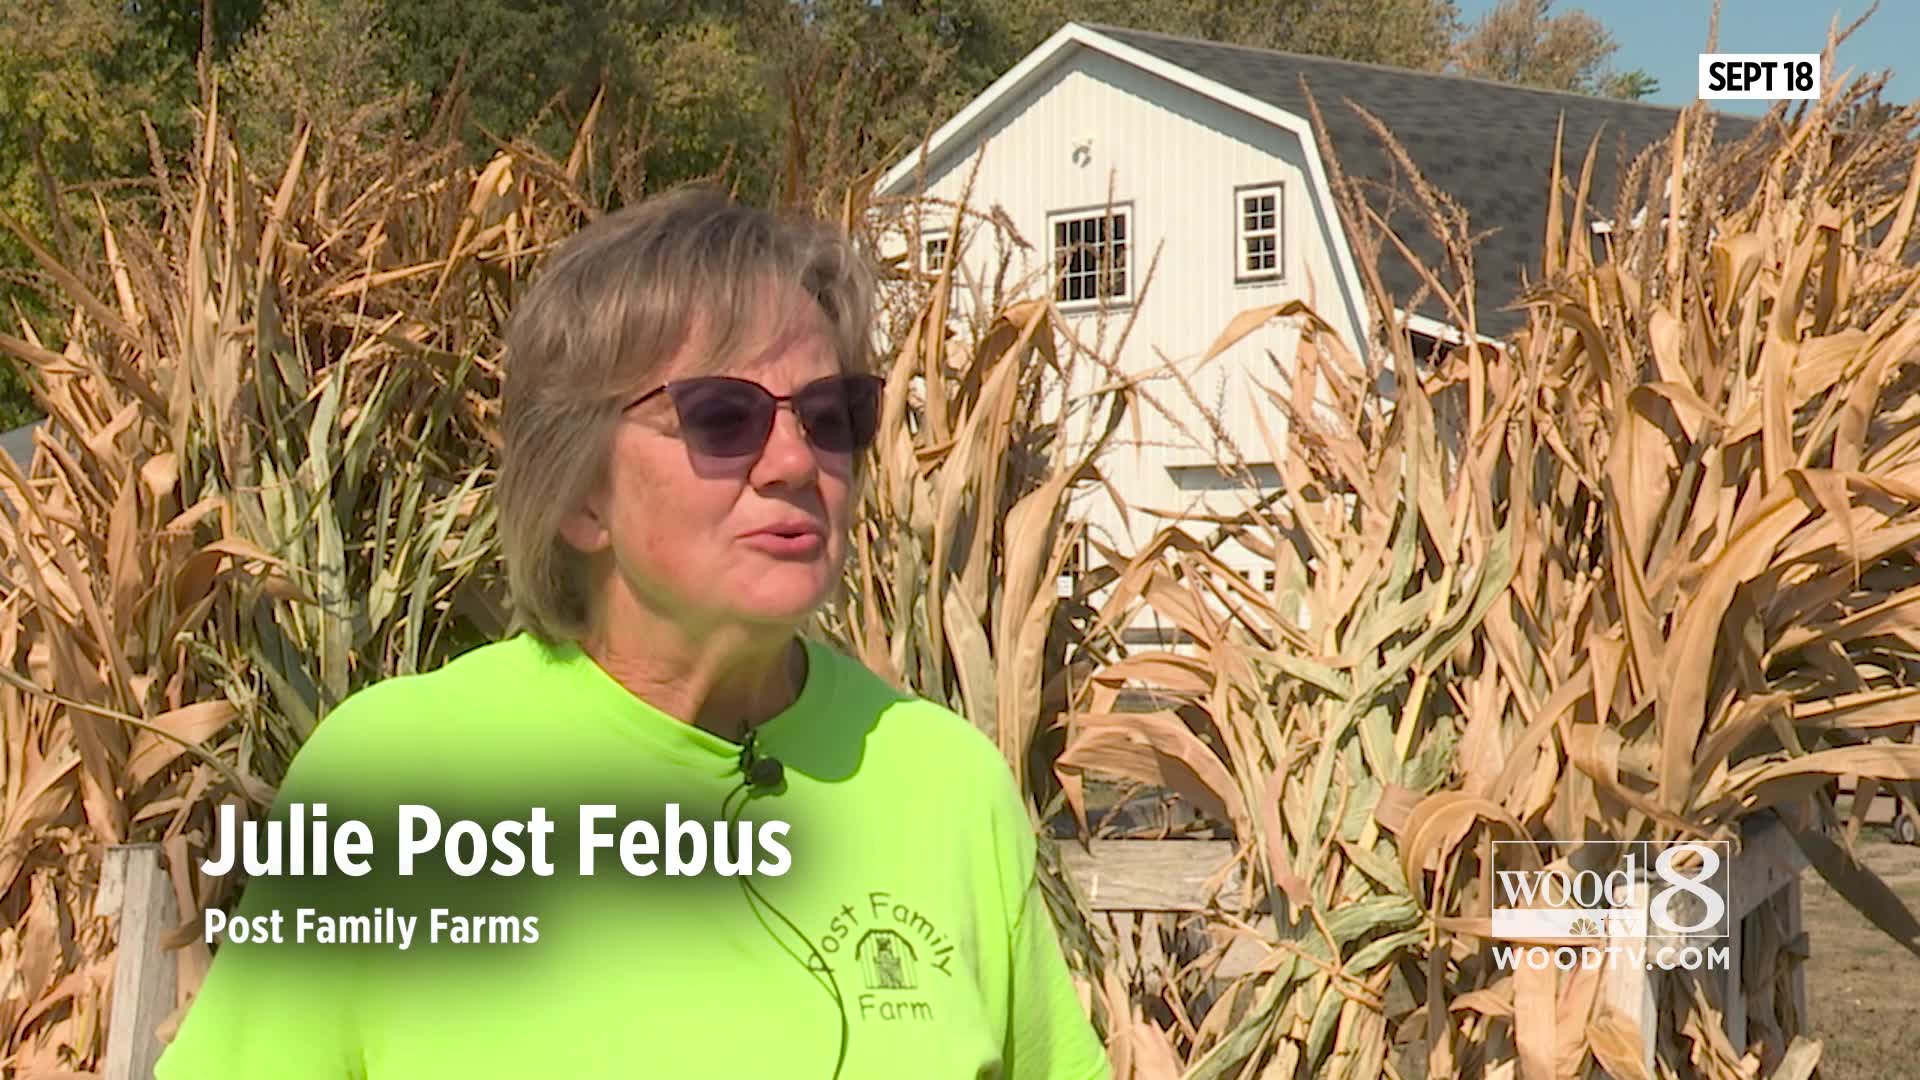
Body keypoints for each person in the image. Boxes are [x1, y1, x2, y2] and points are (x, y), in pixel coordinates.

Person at [154, 188, 1112, 1079]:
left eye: (830, 416)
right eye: (723, 417)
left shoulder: (944, 783)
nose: (792, 460)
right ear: (579, 498)